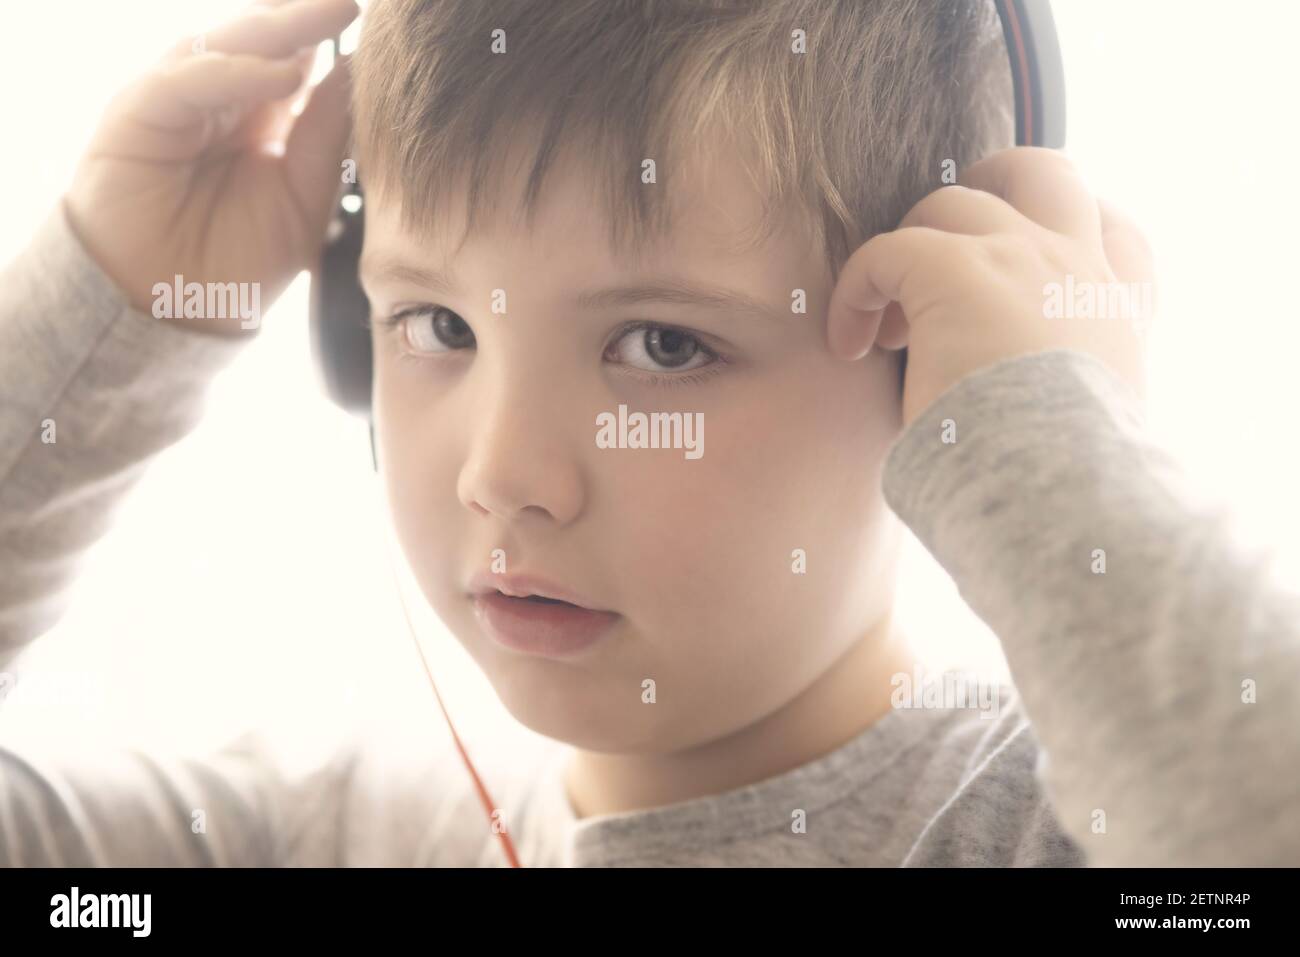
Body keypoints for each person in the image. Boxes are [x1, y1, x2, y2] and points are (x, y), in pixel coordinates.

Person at [1, 0, 1295, 867]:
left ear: (931, 364)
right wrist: (113, 310)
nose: (503, 475)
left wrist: (1054, 445)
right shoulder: (318, 838)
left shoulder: (1057, 827)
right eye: (438, 325)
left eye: (664, 346)